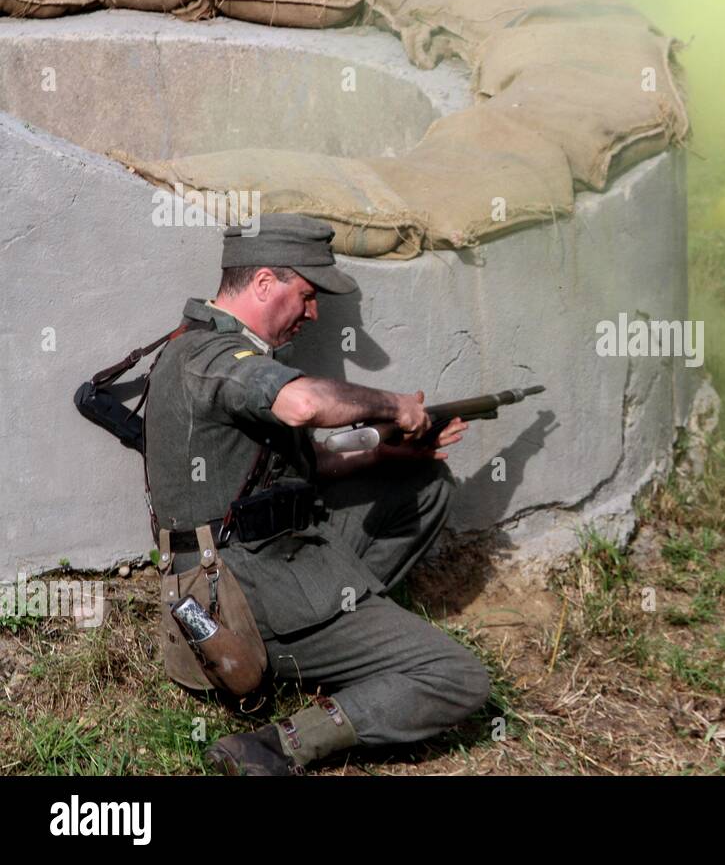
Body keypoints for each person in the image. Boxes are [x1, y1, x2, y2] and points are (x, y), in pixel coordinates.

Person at [143, 213, 491, 775]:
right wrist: (393, 404)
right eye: (306, 296)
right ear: (263, 283)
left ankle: (351, 634)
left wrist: (387, 451)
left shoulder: (225, 354)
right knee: (458, 677)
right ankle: (274, 745)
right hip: (239, 591)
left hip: (279, 553)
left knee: (421, 484)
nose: (314, 313)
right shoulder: (209, 357)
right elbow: (304, 405)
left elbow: (301, 463)